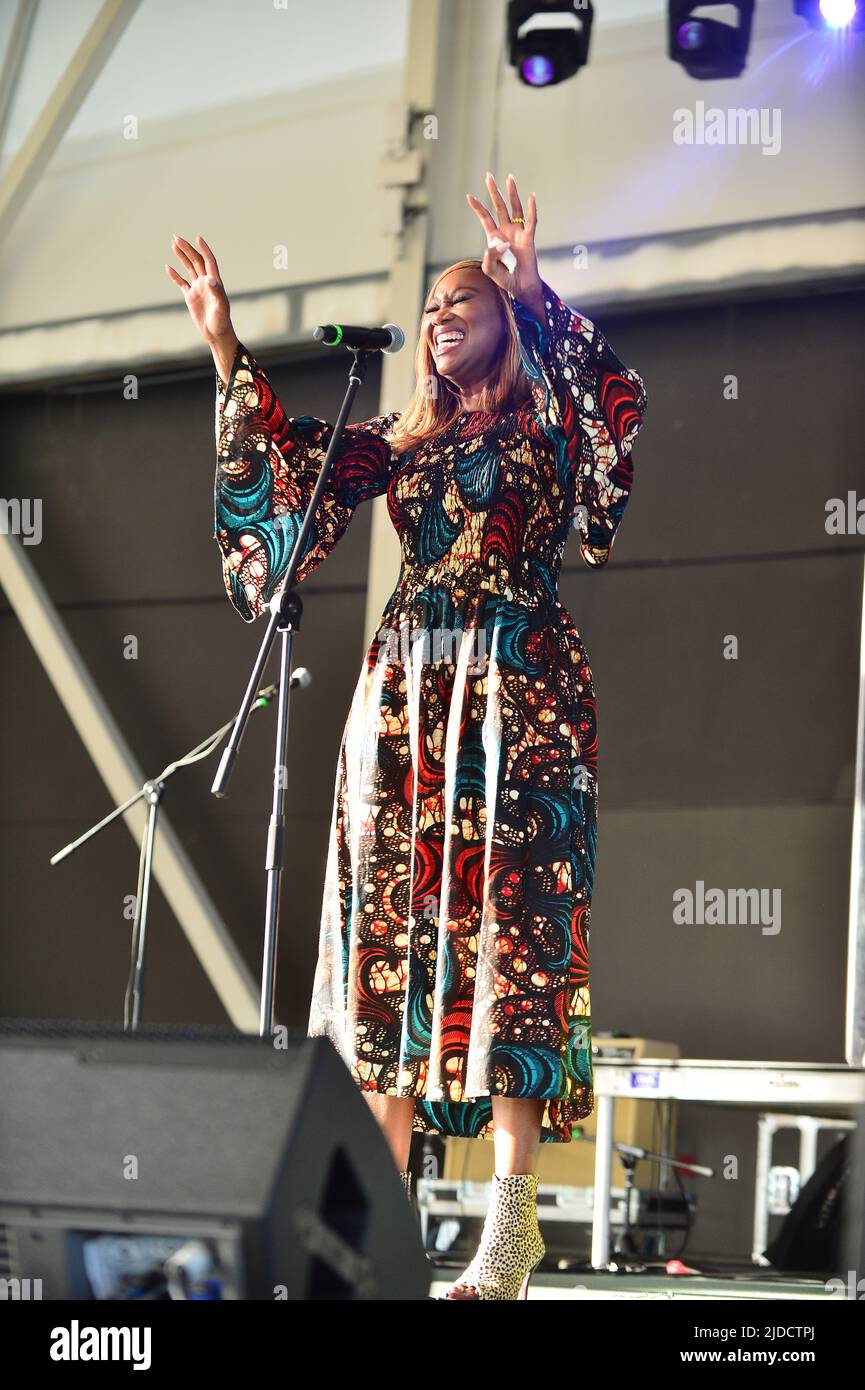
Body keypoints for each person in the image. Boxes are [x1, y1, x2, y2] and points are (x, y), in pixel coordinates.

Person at [166, 172, 647, 1299]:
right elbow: (291, 482)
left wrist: (536, 290)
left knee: (512, 936)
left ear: (505, 321)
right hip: (404, 697)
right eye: (430, 305)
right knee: (386, 938)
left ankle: (510, 1228)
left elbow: (612, 412)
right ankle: (370, 1230)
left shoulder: (543, 418)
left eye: (461, 299)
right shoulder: (399, 437)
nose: (439, 315)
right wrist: (227, 350)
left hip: (519, 689)